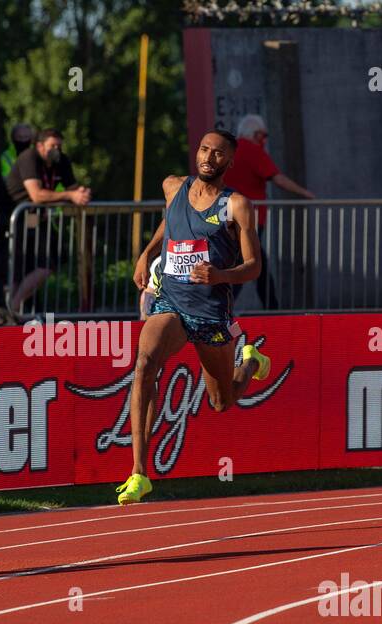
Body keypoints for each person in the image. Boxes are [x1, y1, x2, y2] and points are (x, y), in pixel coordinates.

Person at [116, 130, 273, 506]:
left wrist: (220, 275)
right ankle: (139, 472)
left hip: (210, 311)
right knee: (145, 363)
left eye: (218, 154)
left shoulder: (236, 205)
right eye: (205, 149)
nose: (209, 157)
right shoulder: (173, 187)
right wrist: (146, 253)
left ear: (229, 162)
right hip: (170, 301)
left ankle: (250, 362)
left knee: (222, 401)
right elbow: (168, 223)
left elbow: (253, 267)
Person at [0, 128, 93, 325]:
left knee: (47, 263)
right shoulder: (28, 157)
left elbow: (71, 187)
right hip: (14, 217)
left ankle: (10, 310)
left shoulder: (61, 160)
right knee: (22, 267)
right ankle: (10, 311)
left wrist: (81, 192)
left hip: (37, 219)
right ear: (39, 146)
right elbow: (37, 195)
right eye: (52, 146)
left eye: (59, 146)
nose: (56, 149)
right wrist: (70, 196)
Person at [224, 114, 314, 310]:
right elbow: (277, 178)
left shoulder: (229, 150)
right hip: (251, 220)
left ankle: (272, 307)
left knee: (257, 263)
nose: (264, 141)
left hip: (227, 218)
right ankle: (226, 306)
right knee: (248, 262)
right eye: (263, 135)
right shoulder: (253, 151)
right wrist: (304, 193)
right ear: (255, 134)